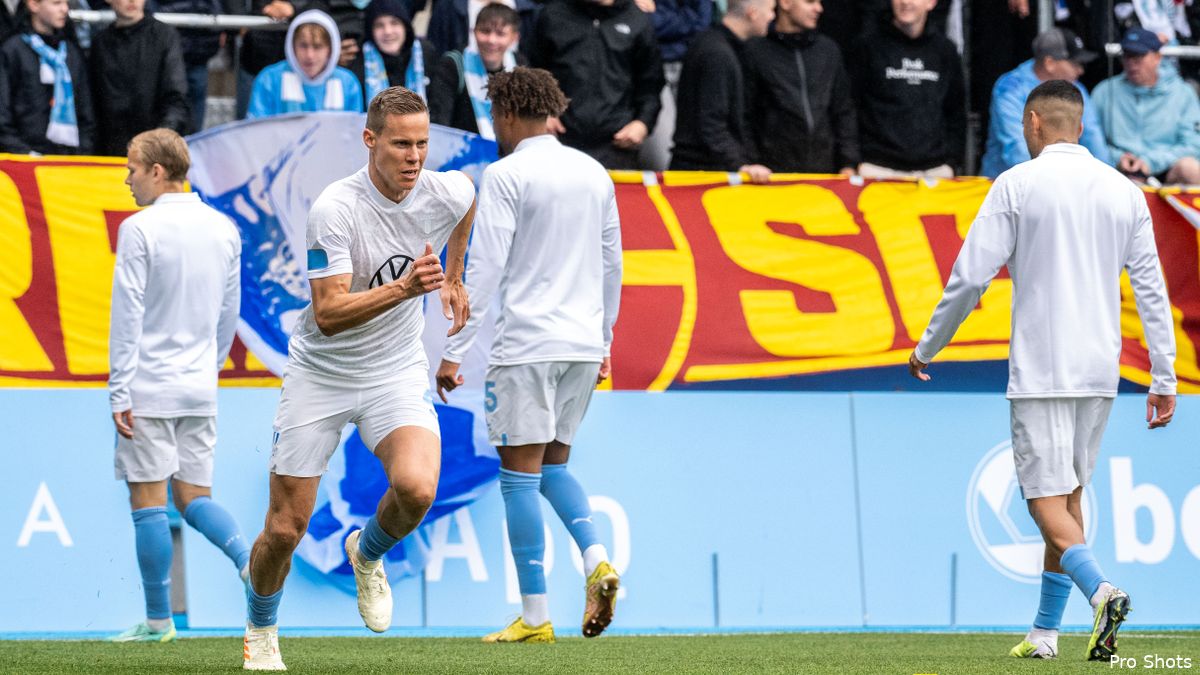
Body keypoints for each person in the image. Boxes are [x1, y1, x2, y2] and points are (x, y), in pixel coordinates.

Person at [909, 80, 1177, 662]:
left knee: (1039, 501)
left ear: (1032, 122)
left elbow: (971, 277)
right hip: (1100, 368)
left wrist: (928, 346)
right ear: (1079, 126)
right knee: (1071, 496)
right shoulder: (1123, 190)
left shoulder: (1017, 183)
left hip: (1040, 366)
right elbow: (1152, 290)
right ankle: (1045, 633)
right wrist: (1164, 376)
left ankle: (1102, 590)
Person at [241, 87, 476, 671]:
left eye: (423, 143)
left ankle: (367, 556)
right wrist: (407, 287)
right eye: (401, 144)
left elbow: (468, 203)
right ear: (371, 141)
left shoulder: (444, 189)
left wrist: (453, 276)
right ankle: (261, 629)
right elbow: (328, 312)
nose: (415, 156)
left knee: (418, 488)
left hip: (395, 372)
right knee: (284, 528)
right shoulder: (334, 208)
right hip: (321, 375)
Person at [436, 66, 622, 644]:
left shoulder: (507, 173)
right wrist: (606, 339)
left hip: (527, 347)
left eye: (494, 115)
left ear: (509, 114)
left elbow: (485, 268)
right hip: (583, 345)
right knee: (555, 467)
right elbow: (613, 264)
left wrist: (455, 348)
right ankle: (597, 559)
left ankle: (536, 617)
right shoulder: (594, 173)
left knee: (519, 480)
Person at [107, 128, 250, 643]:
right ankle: (248, 560)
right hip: (198, 387)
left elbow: (127, 316)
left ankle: (158, 622)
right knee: (193, 497)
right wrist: (206, 369)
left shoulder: (140, 229)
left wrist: (119, 389)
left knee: (147, 501)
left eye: (132, 168)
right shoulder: (224, 228)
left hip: (148, 386)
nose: (127, 179)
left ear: (158, 171)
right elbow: (229, 313)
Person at [531, 0, 664, 169]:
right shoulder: (551, 15)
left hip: (617, 143)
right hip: (559, 139)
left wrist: (643, 123)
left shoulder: (637, 19)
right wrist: (542, 112)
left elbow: (651, 83)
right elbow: (532, 71)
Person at [850, 0, 965, 178]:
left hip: (935, 171)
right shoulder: (867, 46)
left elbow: (956, 113)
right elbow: (850, 107)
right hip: (877, 169)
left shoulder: (946, 51)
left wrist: (952, 161)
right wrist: (853, 160)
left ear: (931, 3)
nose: (905, 2)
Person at [742, 0, 859, 174]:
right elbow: (743, 114)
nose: (819, 8)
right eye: (810, 2)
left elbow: (843, 110)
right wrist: (750, 162)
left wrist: (848, 162)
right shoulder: (755, 51)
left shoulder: (828, 50)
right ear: (786, 3)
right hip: (771, 176)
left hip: (824, 174)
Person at [980, 27, 1110, 178]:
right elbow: (1017, 150)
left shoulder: (1076, 88)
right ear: (1050, 63)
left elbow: (1093, 139)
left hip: (1065, 182)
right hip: (1008, 184)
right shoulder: (1010, 87)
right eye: (1075, 63)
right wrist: (1058, 182)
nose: (1081, 70)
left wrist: (1106, 178)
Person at [669, 0, 773, 181]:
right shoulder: (718, 54)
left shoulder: (715, 44)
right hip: (701, 176)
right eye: (772, 10)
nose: (772, 17)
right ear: (753, 13)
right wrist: (742, 165)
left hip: (701, 169)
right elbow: (711, 124)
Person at [1093, 27, 1200, 186]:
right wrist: (1117, 158)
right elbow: (1089, 139)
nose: (1131, 64)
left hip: (1165, 174)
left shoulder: (1183, 93)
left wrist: (1149, 162)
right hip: (1116, 172)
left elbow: (1193, 146)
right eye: (1127, 56)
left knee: (1190, 168)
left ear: (1157, 57)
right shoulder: (1103, 90)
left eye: (1139, 57)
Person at [90, 0, 191, 156]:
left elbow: (176, 97)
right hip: (109, 150)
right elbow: (93, 103)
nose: (132, 1)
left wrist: (160, 139)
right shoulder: (100, 43)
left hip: (154, 152)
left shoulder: (165, 36)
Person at [0, 0, 95, 154]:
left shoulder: (72, 52)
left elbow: (86, 113)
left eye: (66, 3)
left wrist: (81, 151)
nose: (64, 9)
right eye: (56, 3)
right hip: (25, 158)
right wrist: (25, 153)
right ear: (33, 5)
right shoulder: (12, 51)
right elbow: (3, 116)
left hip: (69, 158)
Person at [427, 1, 522, 140]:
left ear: (514, 38)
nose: (491, 40)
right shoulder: (453, 65)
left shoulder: (520, 67)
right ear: (473, 31)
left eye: (500, 34)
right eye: (485, 31)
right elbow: (439, 124)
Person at [247, 9, 364, 118]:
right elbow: (255, 130)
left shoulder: (348, 83)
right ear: (292, 45)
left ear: (331, 49)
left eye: (318, 47)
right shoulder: (269, 79)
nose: (310, 55)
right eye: (303, 46)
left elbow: (353, 132)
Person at [640, 0, 713, 170]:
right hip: (651, 66)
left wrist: (658, 17)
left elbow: (702, 22)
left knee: (700, 149)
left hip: (691, 66)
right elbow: (640, 23)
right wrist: (682, 21)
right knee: (660, 160)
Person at [350, 0, 438, 103]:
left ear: (405, 27)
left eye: (394, 23)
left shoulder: (425, 54)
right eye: (379, 25)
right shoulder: (358, 61)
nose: (388, 31)